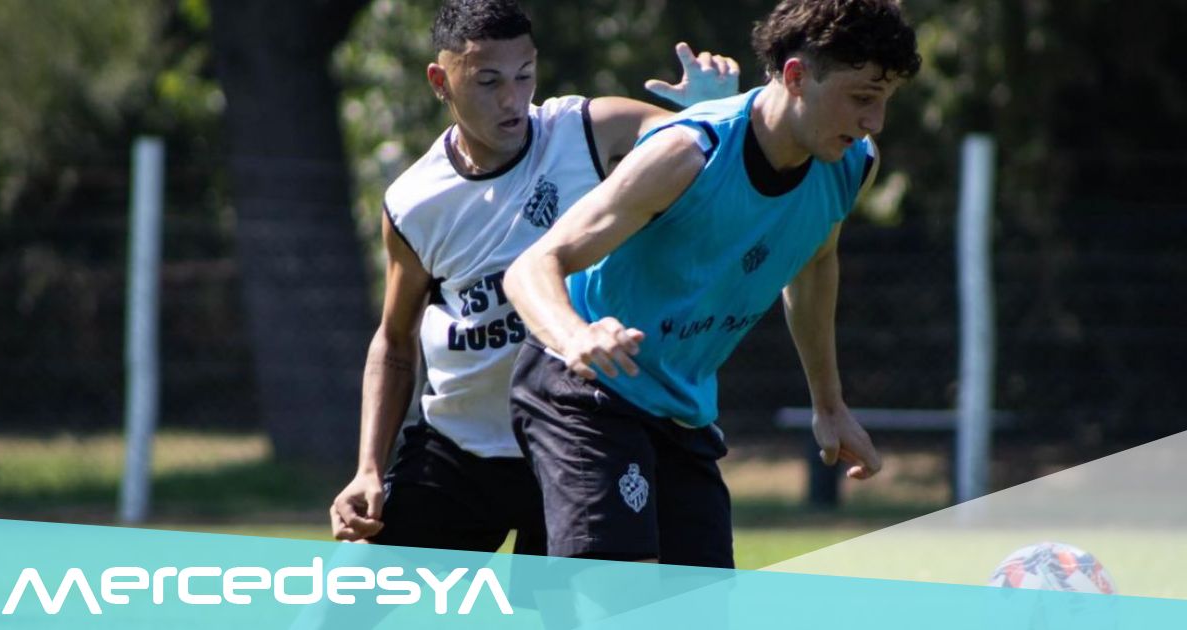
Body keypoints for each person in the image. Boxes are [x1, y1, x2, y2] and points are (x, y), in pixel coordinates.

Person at [504, 0, 922, 568]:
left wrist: (829, 405)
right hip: (585, 390)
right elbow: (532, 266)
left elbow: (815, 261)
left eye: (885, 102)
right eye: (862, 98)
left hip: (681, 408)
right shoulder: (687, 154)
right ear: (796, 76)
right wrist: (575, 337)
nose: (875, 123)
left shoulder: (850, 165)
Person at [328, 0, 740, 555]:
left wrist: (714, 119)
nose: (512, 99)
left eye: (524, 76)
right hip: (457, 452)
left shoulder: (587, 133)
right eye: (488, 81)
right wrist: (368, 468)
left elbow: (701, 154)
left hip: (575, 446)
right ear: (440, 81)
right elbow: (395, 340)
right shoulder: (413, 202)